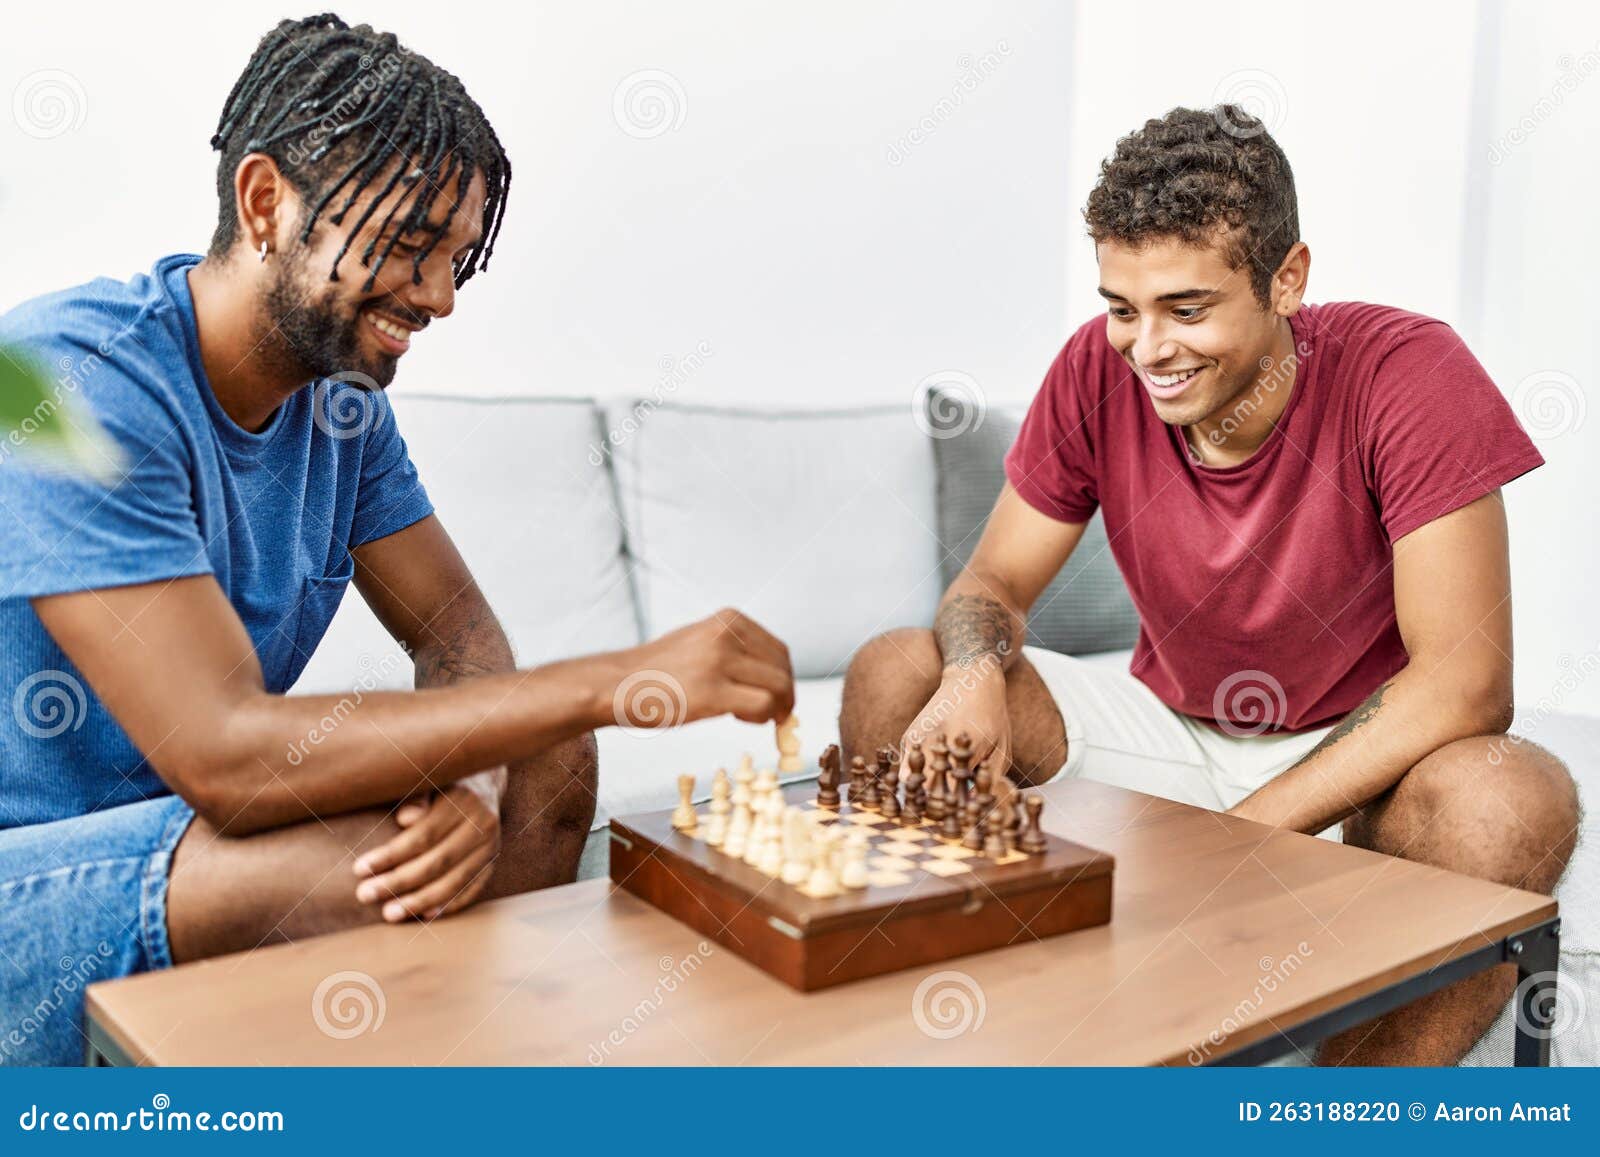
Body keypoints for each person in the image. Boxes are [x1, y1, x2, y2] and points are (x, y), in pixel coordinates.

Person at [0, 14, 793, 1066]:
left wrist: (470, 786)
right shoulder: (73, 379)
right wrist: (618, 675)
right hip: (34, 867)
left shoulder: (341, 410)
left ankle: (460, 1069)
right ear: (266, 202)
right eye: (411, 244)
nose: (441, 296)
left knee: (545, 760)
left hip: (190, 837)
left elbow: (456, 626)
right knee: (370, 863)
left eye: (457, 258)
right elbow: (225, 753)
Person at [839, 106, 1578, 1066]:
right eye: (1121, 307)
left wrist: (1231, 842)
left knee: (1505, 801)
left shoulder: (1408, 371)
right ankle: (978, 1052)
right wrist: (975, 668)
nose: (1147, 349)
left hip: (1360, 753)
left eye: (1187, 310)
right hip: (1170, 730)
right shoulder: (1092, 371)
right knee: (901, 670)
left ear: (1288, 279)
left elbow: (1469, 683)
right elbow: (993, 579)